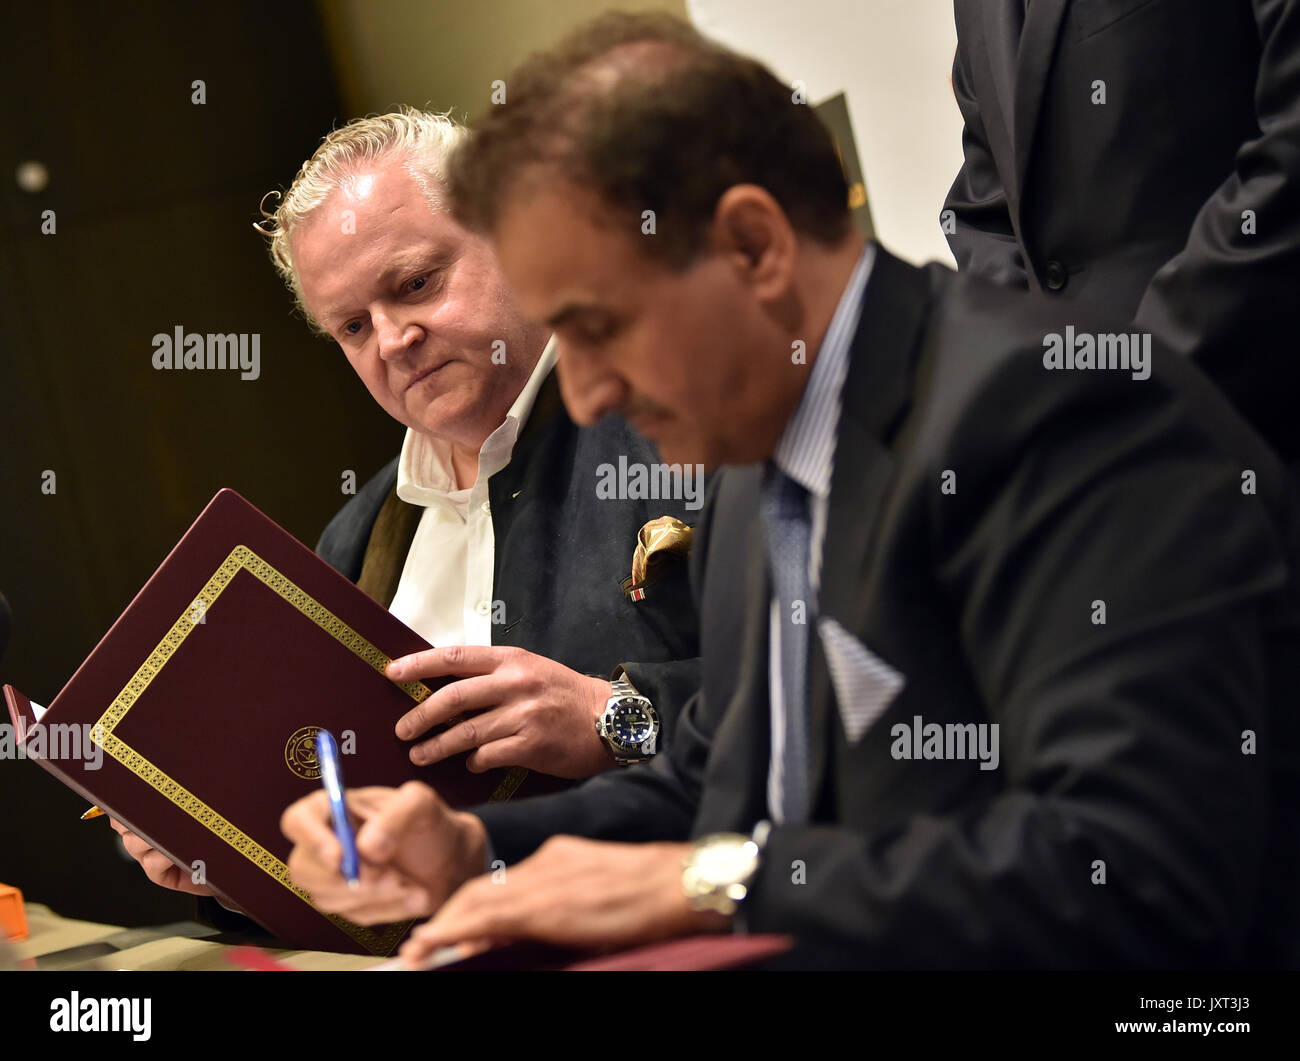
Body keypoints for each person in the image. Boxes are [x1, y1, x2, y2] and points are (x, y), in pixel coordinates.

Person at [282, 13, 1300, 969]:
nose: (584, 395)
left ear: (755, 247)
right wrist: (470, 849)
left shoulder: (1054, 411)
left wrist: (713, 882)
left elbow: (1137, 872)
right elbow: (716, 780)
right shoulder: (751, 454)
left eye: (598, 328)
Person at [113, 109, 701, 902]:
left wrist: (614, 714)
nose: (391, 340)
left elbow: (833, 698)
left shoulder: (690, 427)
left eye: (416, 283)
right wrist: (234, 854)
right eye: (353, 325)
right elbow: (351, 845)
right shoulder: (355, 541)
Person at [943, 0, 1300, 466]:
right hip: (1102, 479)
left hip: (1265, 427)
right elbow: (985, 204)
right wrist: (1029, 380)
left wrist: (1140, 370)